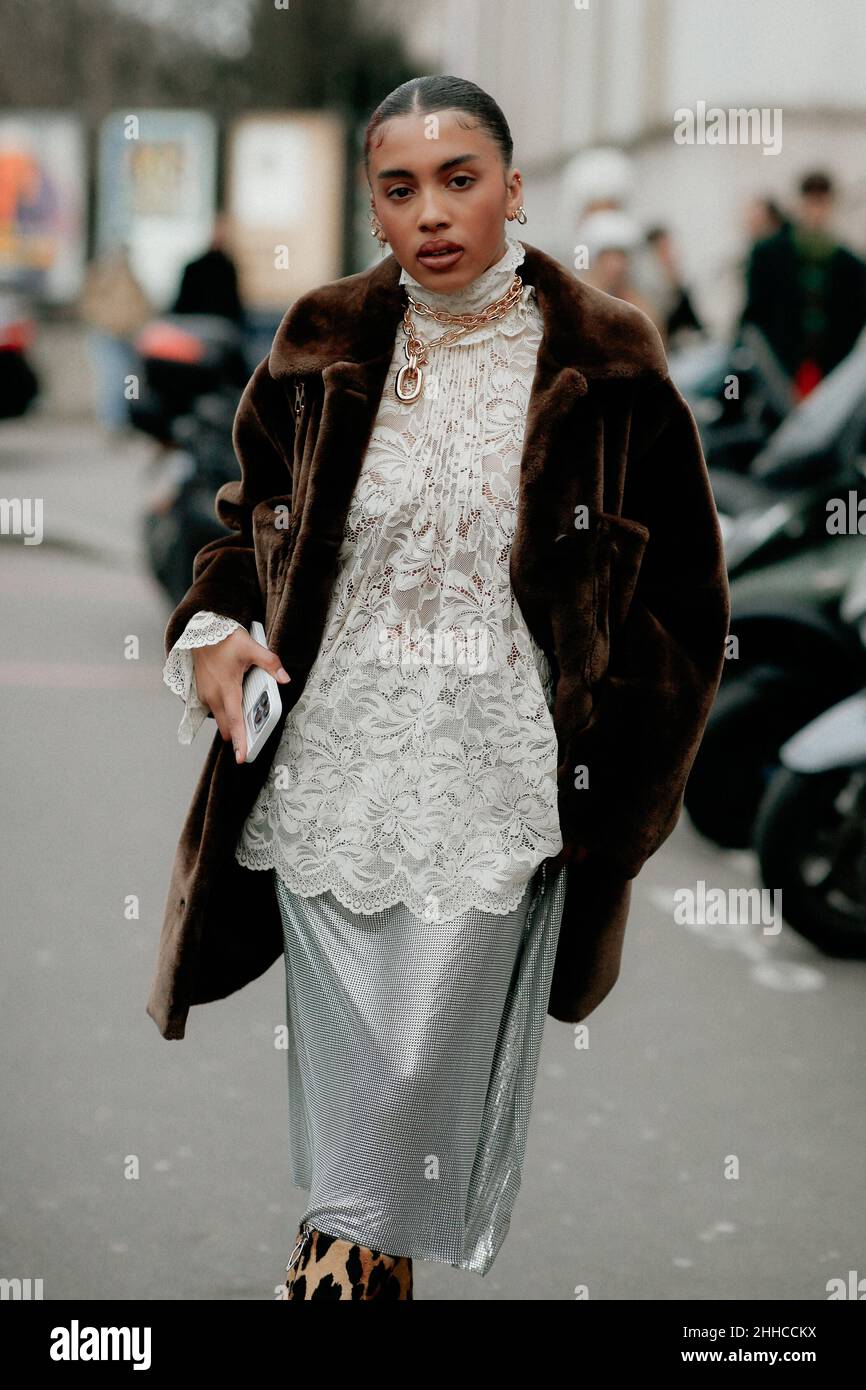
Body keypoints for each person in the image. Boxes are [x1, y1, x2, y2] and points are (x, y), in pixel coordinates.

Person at [153, 76, 729, 1300]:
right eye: (400, 187)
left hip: (496, 794)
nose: (431, 212)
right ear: (372, 205)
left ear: (513, 188)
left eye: (459, 179)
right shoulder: (320, 339)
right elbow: (239, 528)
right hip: (327, 786)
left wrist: (621, 807)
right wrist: (212, 632)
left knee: (405, 1098)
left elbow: (684, 604)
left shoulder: (606, 356)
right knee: (366, 1133)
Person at [740, 169, 866, 398]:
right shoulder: (767, 255)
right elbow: (754, 317)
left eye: (822, 203)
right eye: (811, 203)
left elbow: (854, 321)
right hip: (778, 372)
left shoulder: (852, 266)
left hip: (829, 376)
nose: (816, 212)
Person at [77, 242, 154, 434]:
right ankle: (113, 420)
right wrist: (104, 322)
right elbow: (88, 304)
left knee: (131, 379)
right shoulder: (101, 278)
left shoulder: (133, 279)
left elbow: (143, 305)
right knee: (113, 377)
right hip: (107, 334)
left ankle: (131, 417)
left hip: (130, 335)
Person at [171, 211, 244, 323]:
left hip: (194, 324)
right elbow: (234, 306)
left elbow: (180, 305)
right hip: (219, 325)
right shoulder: (227, 268)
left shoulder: (192, 267)